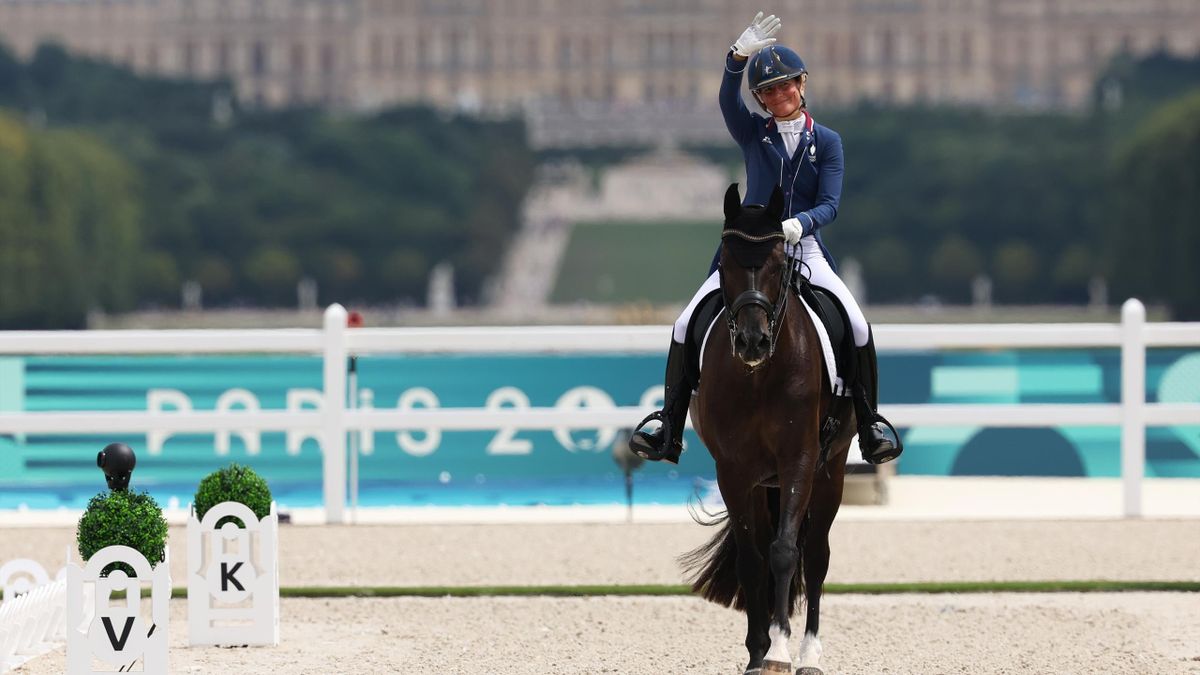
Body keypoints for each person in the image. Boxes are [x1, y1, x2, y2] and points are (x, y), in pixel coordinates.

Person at [630, 12, 902, 465]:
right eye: (769, 91)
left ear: (802, 84)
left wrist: (799, 225)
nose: (779, 96)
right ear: (760, 98)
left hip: (803, 245)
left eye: (786, 86)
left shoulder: (829, 142)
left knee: (856, 325)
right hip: (752, 248)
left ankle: (869, 421)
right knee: (684, 324)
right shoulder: (755, 134)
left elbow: (831, 204)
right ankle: (669, 424)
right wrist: (736, 59)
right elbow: (724, 100)